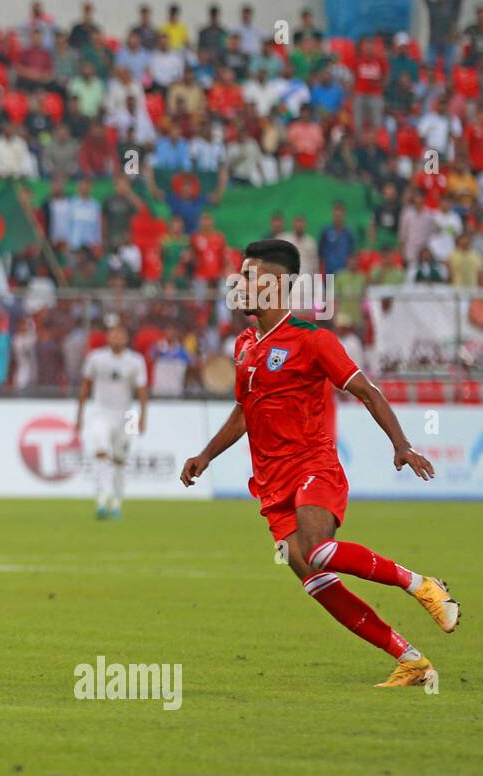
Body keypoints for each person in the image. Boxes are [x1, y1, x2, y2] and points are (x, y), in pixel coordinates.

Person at [181, 239, 459, 687]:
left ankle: (422, 584)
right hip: (271, 483)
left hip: (314, 465)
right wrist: (206, 455)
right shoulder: (245, 345)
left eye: (248, 276)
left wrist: (402, 444)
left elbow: (366, 389)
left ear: (273, 285)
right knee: (314, 578)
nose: (239, 283)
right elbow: (244, 411)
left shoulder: (314, 340)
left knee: (318, 549)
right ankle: (411, 660)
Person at [75, 322, 148, 520]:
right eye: (113, 333)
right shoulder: (96, 358)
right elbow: (85, 386)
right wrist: (79, 415)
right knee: (100, 451)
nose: (116, 337)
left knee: (120, 460)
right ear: (108, 336)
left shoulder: (136, 361)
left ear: (126, 337)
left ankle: (116, 502)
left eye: (120, 333)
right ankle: (101, 498)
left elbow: (141, 391)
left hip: (128, 414)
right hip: (100, 411)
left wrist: (142, 417)